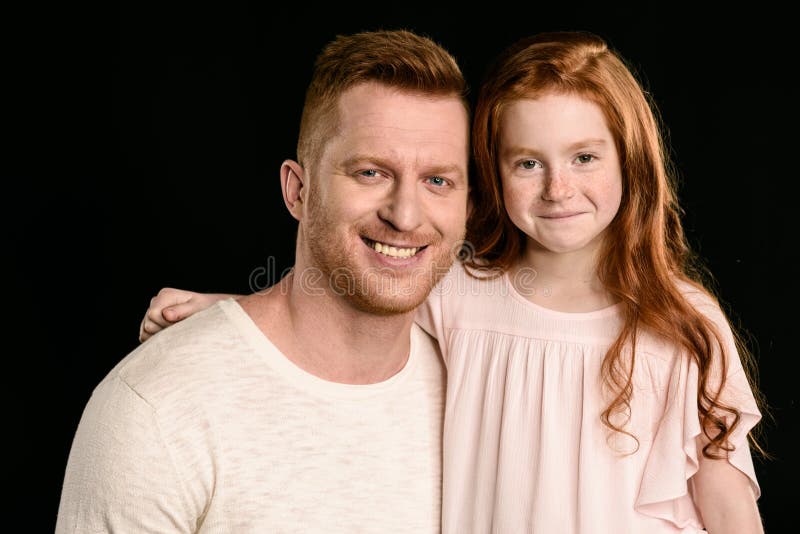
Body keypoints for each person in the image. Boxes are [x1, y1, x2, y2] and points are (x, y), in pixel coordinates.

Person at [139, 31, 767, 533]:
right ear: (490, 175)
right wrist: (231, 310)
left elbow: (728, 503)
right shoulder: (465, 291)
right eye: (528, 163)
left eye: (584, 157)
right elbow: (348, 305)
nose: (558, 188)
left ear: (628, 157)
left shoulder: (679, 320)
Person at [56, 29, 472, 533]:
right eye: (370, 173)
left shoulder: (480, 391)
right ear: (297, 190)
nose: (406, 216)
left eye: (437, 181)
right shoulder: (158, 409)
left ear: (468, 208)